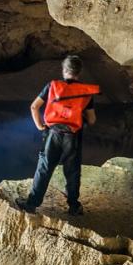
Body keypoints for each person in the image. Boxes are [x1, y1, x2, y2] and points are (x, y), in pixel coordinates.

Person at [17, 55, 99, 216]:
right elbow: (92, 119)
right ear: (79, 72)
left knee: (45, 168)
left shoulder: (52, 86)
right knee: (72, 171)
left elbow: (34, 107)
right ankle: (74, 207)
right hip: (72, 136)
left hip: (52, 134)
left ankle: (32, 204)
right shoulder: (85, 92)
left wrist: (40, 125)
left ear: (64, 70)